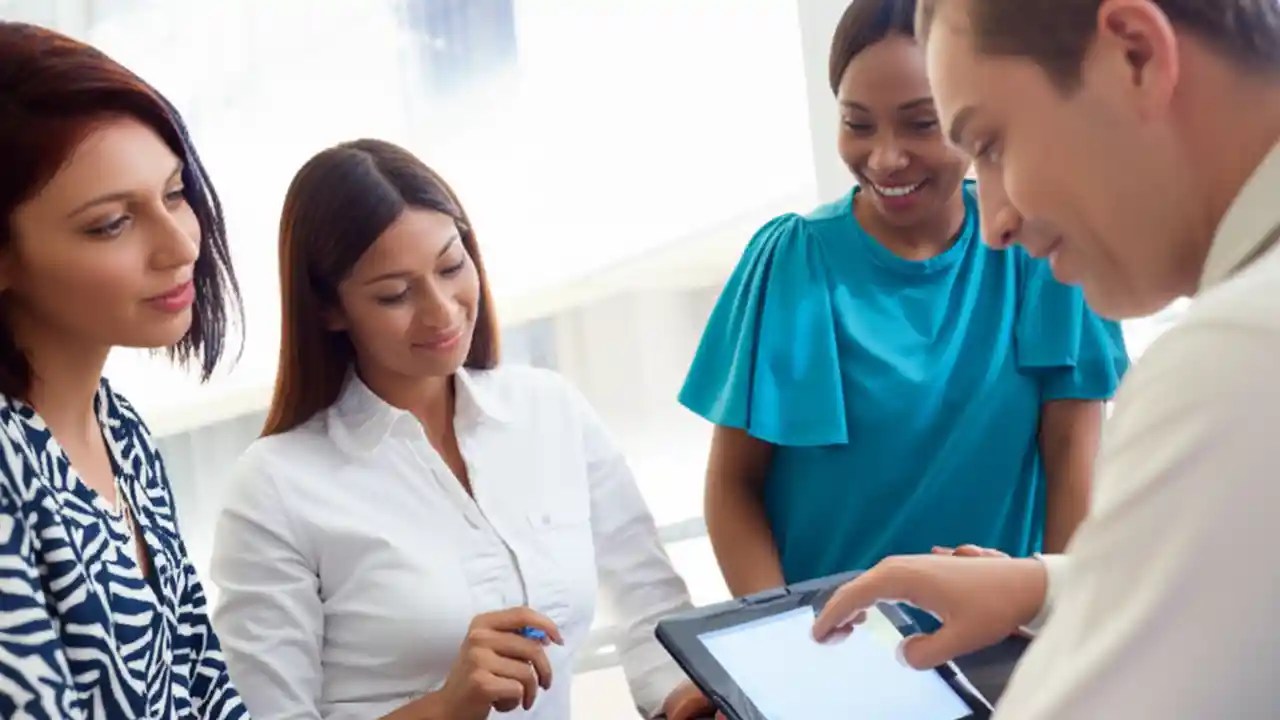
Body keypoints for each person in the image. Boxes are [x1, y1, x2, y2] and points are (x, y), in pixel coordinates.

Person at [815, 0, 1280, 717]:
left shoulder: (1235, 363)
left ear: (1135, 57)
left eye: (992, 144)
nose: (997, 225)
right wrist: (1047, 587)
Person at [209, 139, 714, 720]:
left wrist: (687, 701)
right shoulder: (275, 485)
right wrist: (446, 708)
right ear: (328, 309)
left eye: (452, 266)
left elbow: (651, 606)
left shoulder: (550, 410)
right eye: (395, 294)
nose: (443, 311)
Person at [679, 0, 1128, 606]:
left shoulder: (1038, 246)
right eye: (858, 124)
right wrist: (785, 646)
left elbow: (1074, 457)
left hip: (1007, 644)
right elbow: (733, 487)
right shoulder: (792, 262)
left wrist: (1059, 628)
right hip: (837, 659)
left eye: (922, 123)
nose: (885, 157)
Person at [0, 22, 246, 719]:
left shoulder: (123, 434)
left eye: (174, 193)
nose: (181, 242)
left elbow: (208, 691)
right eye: (111, 223)